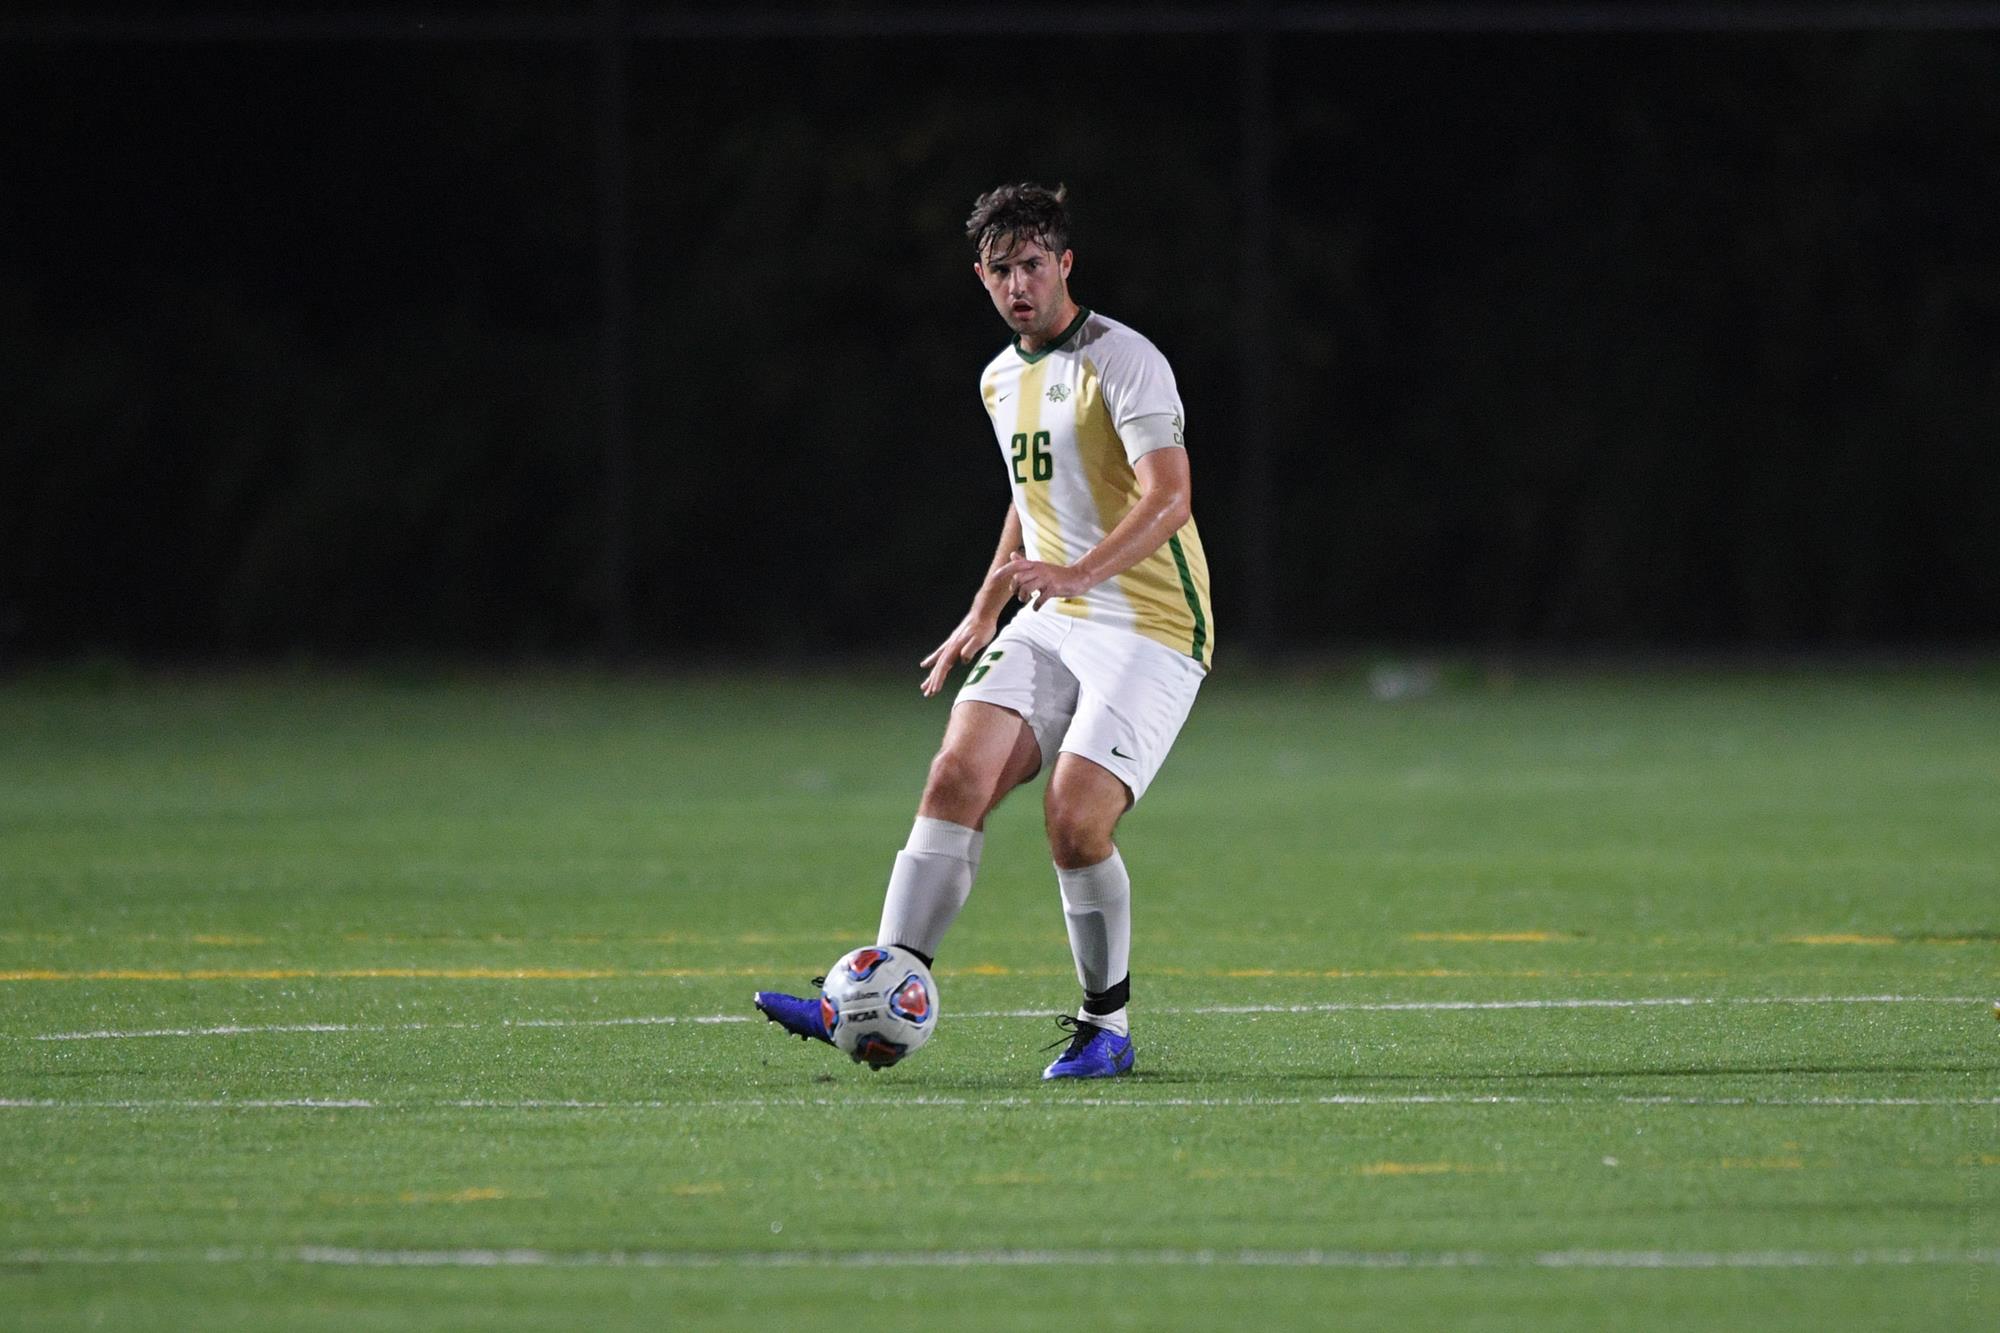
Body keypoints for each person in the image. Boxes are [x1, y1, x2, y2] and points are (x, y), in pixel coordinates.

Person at [754, 182, 1213, 1079]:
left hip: (1151, 623)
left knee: (1074, 821)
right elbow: (1030, 492)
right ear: (980, 275)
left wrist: (1078, 572)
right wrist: (986, 603)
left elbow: (1170, 497)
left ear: (1065, 264)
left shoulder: (1126, 361)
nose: (1018, 283)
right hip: (1054, 616)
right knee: (955, 772)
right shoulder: (1000, 376)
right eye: (1000, 268)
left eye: (1034, 263)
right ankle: (871, 987)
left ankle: (1106, 1028)